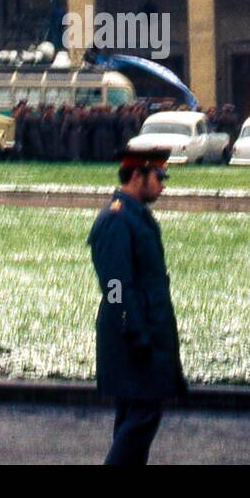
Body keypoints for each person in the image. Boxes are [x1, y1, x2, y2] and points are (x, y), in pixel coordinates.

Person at [87, 145, 187, 464]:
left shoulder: (135, 214)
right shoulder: (117, 218)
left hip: (144, 333)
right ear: (135, 176)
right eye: (157, 176)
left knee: (134, 418)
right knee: (142, 418)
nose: (162, 184)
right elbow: (116, 286)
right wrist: (136, 331)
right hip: (133, 337)